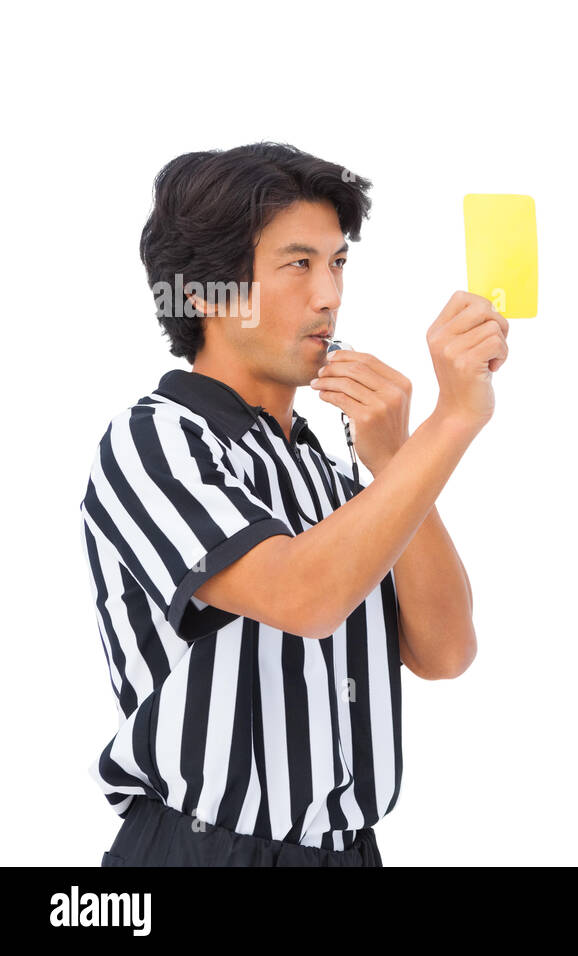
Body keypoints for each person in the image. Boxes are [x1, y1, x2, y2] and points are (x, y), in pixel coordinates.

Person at [81, 142, 508, 865]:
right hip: (202, 851)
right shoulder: (153, 440)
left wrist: (396, 457)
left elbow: (446, 650)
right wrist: (452, 421)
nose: (329, 295)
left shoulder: (331, 471)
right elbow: (303, 595)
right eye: (298, 264)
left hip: (349, 851)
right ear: (204, 292)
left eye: (337, 263)